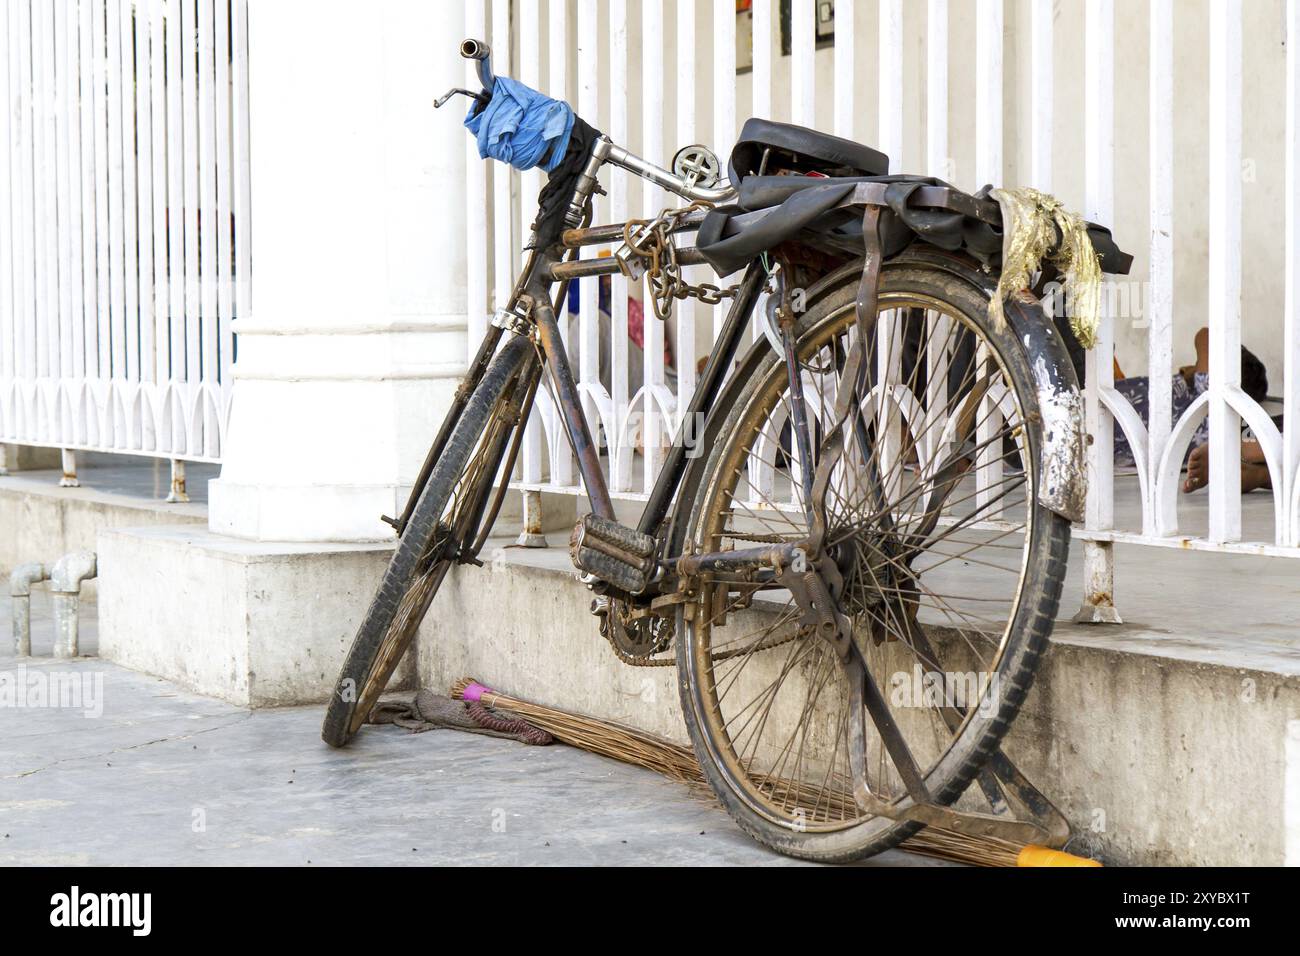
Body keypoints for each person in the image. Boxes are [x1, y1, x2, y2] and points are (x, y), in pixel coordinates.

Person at [1110, 327, 1271, 492]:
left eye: (1197, 363)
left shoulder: (1205, 395)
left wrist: (1230, 349)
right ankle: (1254, 470)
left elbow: (1206, 334)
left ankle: (1251, 467)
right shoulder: (1222, 421)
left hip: (1098, 417)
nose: (1184, 368)